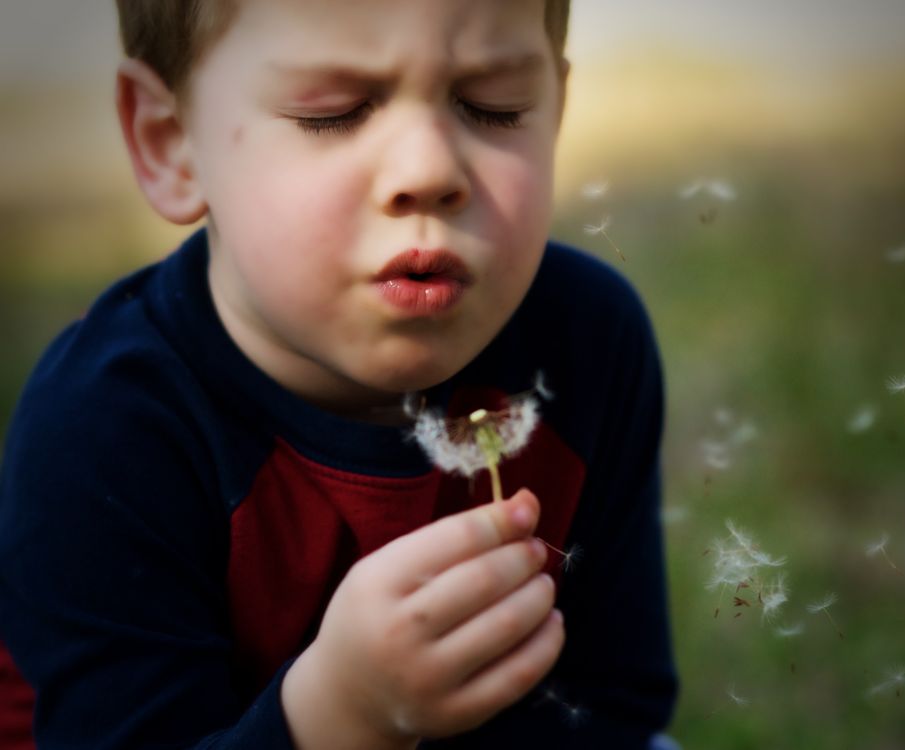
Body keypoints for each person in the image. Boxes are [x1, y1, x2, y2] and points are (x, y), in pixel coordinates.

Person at [0, 1, 679, 747]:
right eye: (335, 112)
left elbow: (614, 703)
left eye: (494, 106)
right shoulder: (102, 429)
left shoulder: (588, 344)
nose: (427, 171)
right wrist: (338, 716)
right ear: (172, 144)